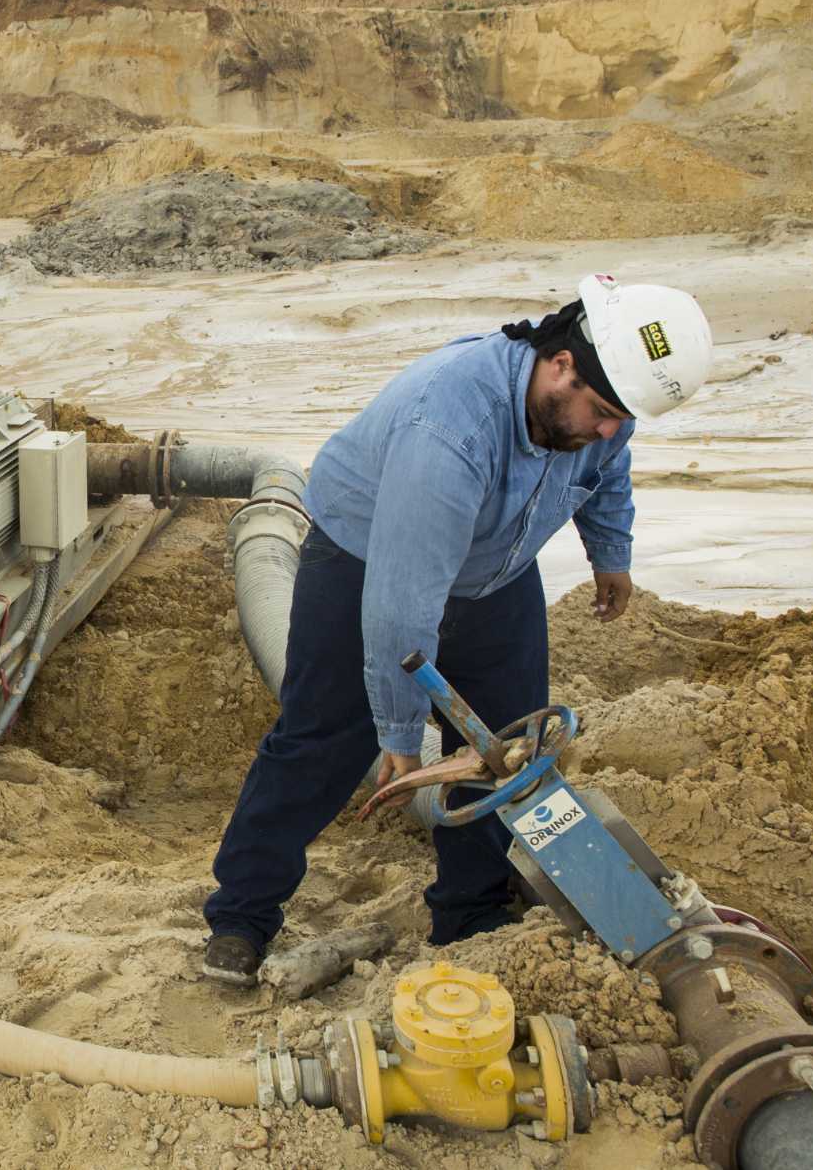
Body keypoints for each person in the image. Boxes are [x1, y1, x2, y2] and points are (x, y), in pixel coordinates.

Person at [201, 274, 714, 985]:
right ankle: (242, 914)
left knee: (508, 746)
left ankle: (469, 915)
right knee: (323, 738)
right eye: (600, 412)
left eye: (619, 417)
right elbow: (400, 608)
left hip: (496, 572)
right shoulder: (449, 425)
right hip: (365, 559)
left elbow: (609, 466)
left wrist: (611, 554)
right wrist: (399, 740)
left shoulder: (595, 410)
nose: (606, 429)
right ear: (560, 365)